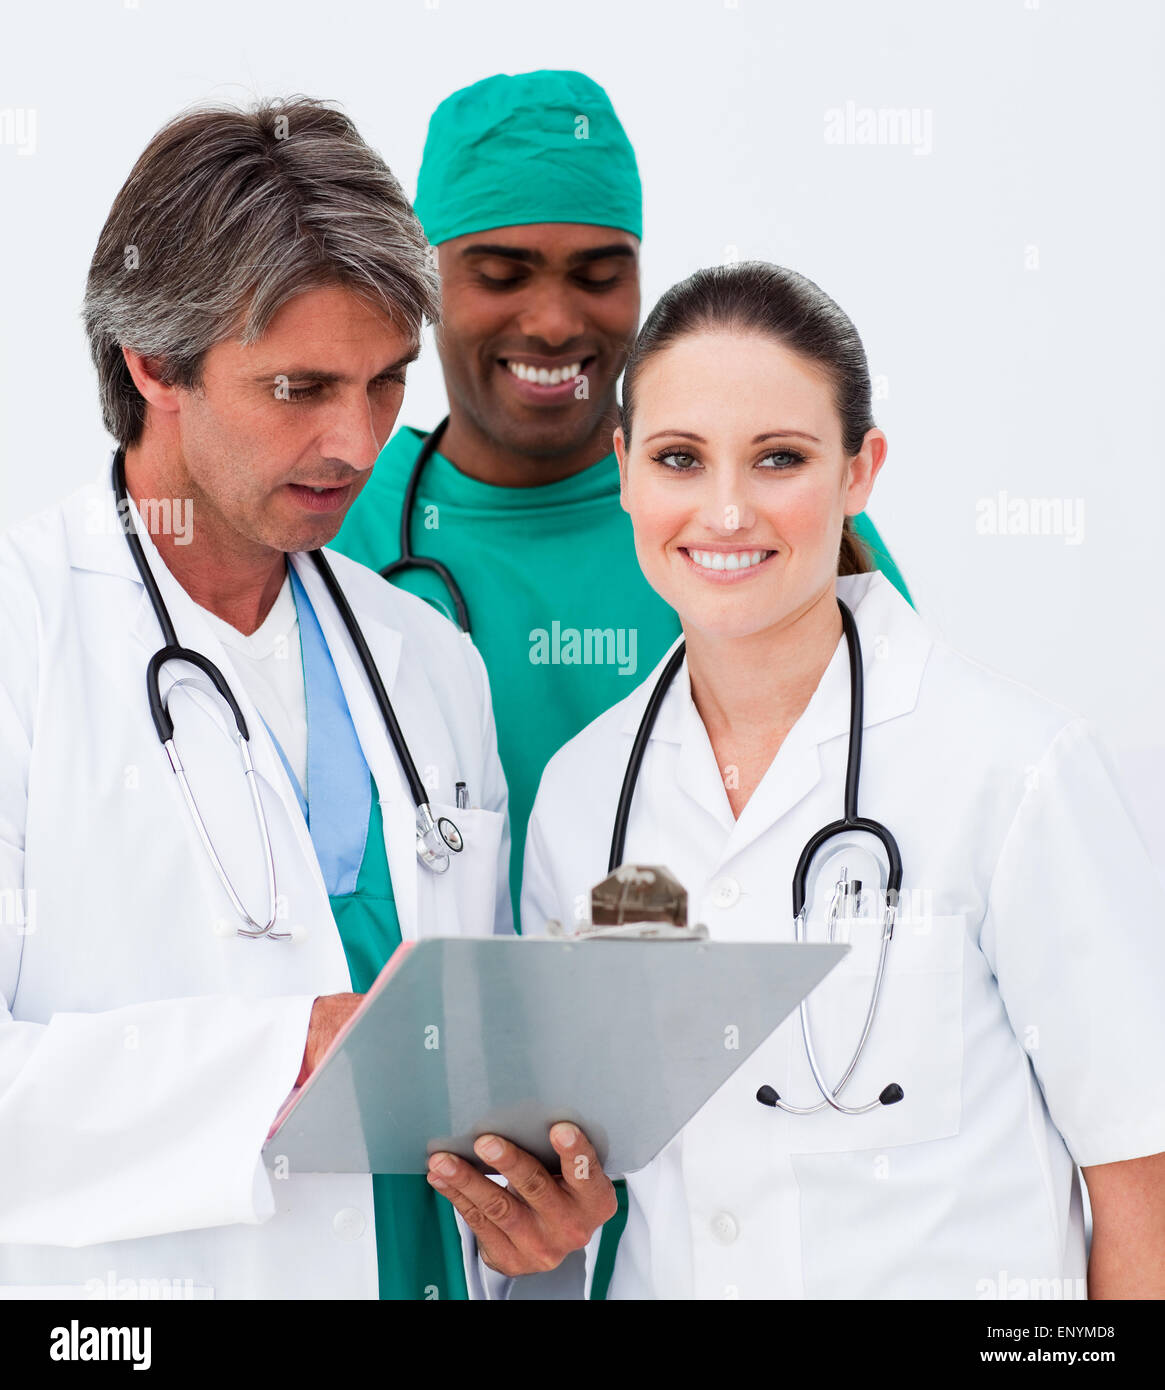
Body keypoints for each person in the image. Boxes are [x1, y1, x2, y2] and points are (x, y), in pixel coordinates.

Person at [0, 96, 610, 1301]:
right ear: (154, 363)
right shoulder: (24, 635)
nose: (356, 440)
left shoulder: (421, 659)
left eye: (385, 383)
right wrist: (291, 1054)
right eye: (299, 388)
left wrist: (534, 1224)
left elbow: (477, 1079)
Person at [521, 261, 1165, 1299]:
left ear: (860, 471)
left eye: (779, 458)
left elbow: (1142, 1176)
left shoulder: (1010, 770)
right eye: (680, 458)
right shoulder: (584, 792)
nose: (725, 512)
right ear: (623, 471)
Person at [333, 70, 913, 919]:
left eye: (598, 275)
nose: (556, 322)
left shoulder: (761, 527)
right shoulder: (342, 521)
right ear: (426, 283)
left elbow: (912, 777)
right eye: (501, 273)